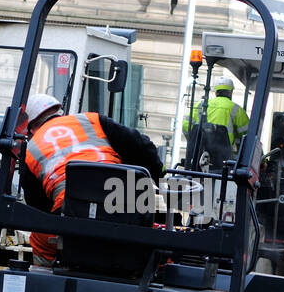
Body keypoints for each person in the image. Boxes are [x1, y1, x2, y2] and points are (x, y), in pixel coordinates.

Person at [21, 93, 164, 266]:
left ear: (31, 128)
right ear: (59, 112)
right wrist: (160, 178)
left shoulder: (30, 149)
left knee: (39, 237)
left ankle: (49, 280)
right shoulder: (92, 120)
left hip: (72, 218)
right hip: (126, 210)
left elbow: (38, 209)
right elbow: (143, 147)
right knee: (158, 239)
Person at [183, 77, 250, 152]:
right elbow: (248, 135)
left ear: (216, 92)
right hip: (223, 155)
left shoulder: (200, 105)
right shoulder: (236, 109)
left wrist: (194, 141)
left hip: (200, 153)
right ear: (230, 92)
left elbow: (185, 125)